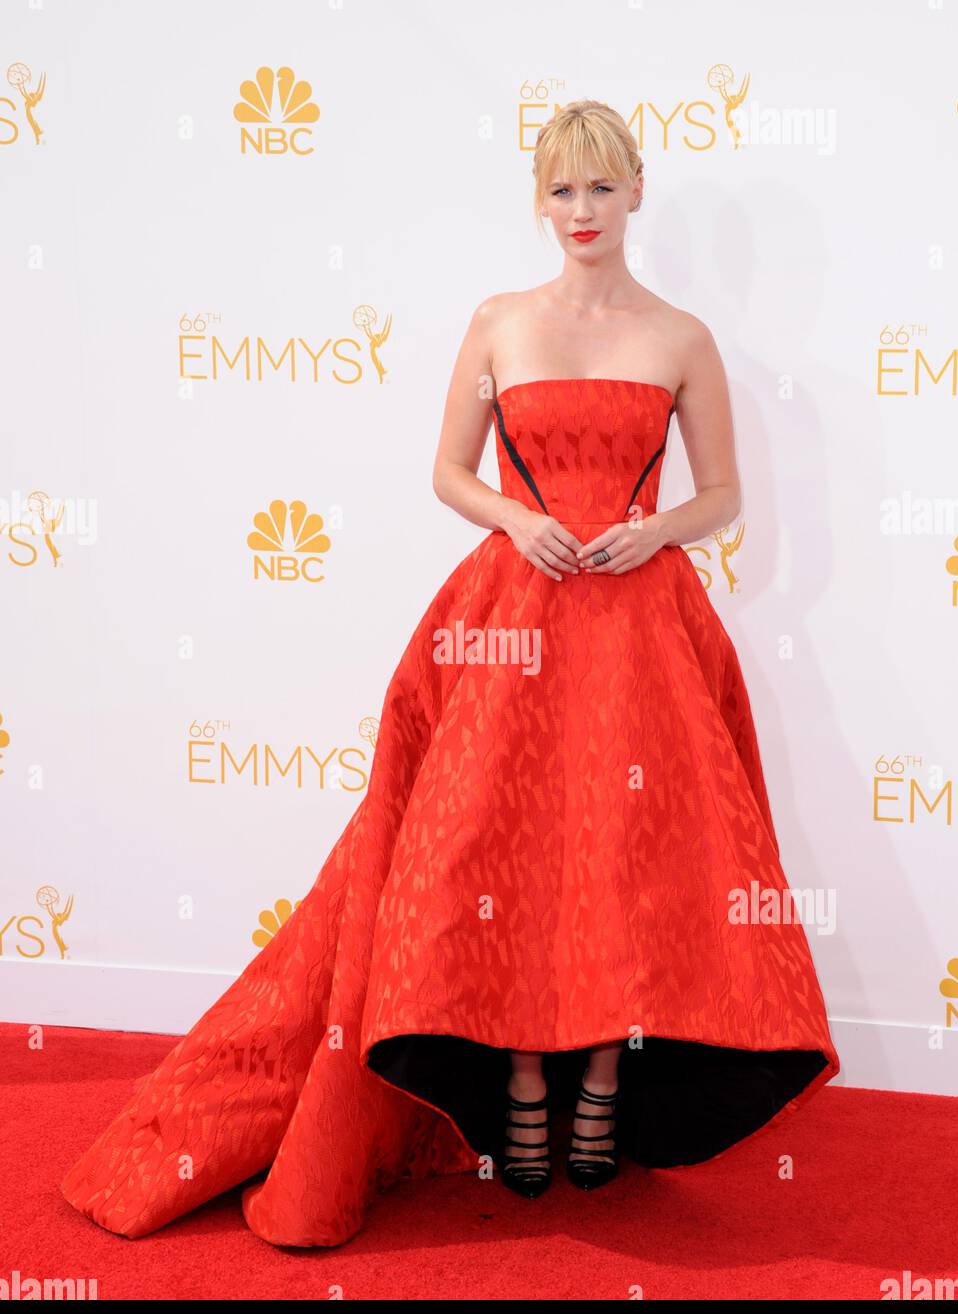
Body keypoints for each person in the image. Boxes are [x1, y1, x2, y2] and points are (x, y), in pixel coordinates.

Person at [61, 98, 839, 1246]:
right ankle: (521, 1089)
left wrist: (656, 526)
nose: (581, 210)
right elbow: (446, 470)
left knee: (629, 863)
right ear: (539, 201)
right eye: (561, 189)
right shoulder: (497, 324)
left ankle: (603, 1090)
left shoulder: (681, 338)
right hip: (507, 624)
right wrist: (519, 523)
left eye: (600, 187)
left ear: (637, 194)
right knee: (504, 852)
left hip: (640, 631)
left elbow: (723, 495)